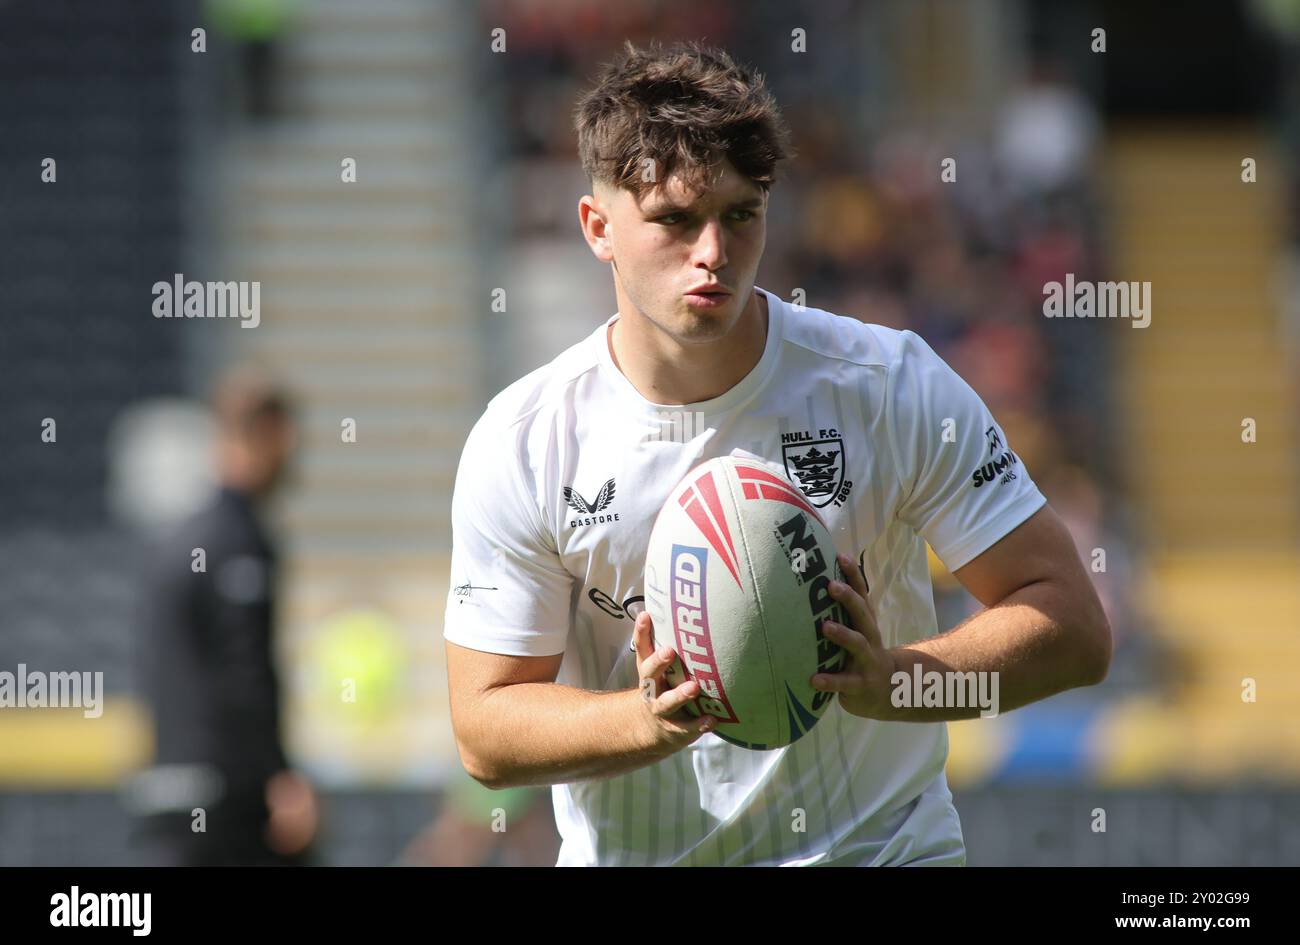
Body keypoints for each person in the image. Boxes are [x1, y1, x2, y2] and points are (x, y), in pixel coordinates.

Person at [443, 41, 1112, 866]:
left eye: (740, 214)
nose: (714, 253)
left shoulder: (889, 384)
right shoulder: (528, 440)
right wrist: (646, 721)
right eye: (675, 220)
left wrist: (900, 681)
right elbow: (484, 730)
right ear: (597, 228)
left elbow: (1075, 628)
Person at [134, 365, 318, 866]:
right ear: (265, 432)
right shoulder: (239, 540)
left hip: (166, 793)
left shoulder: (176, 540)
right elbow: (246, 674)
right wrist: (279, 778)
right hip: (230, 806)